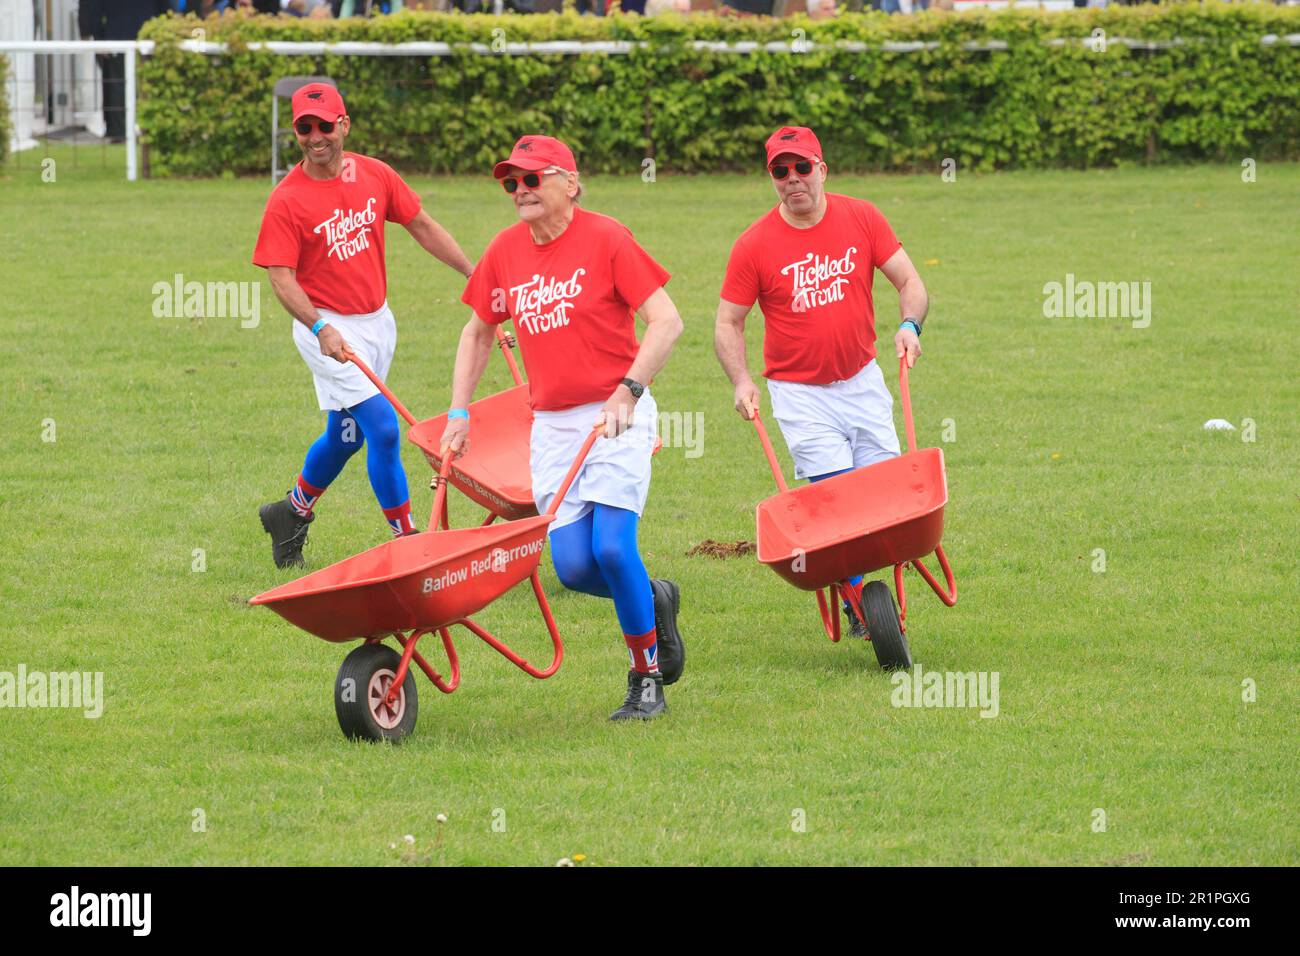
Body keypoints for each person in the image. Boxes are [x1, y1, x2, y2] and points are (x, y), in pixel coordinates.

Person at [443, 135, 686, 721]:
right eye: (511, 183)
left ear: (569, 184)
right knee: (575, 568)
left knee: (612, 545)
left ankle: (645, 675)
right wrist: (458, 412)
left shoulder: (607, 238)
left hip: (617, 411)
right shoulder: (504, 251)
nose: (520, 191)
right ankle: (654, 601)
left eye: (532, 179)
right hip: (551, 424)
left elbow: (667, 321)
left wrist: (629, 390)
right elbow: (478, 332)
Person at [714, 126, 929, 635]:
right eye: (780, 172)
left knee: (881, 501)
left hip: (862, 380)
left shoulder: (862, 216)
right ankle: (861, 605)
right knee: (833, 504)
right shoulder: (755, 244)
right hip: (799, 393)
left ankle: (872, 595)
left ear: (821, 169)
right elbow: (728, 322)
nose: (793, 180)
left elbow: (910, 282)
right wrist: (741, 380)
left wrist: (908, 326)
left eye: (801, 168)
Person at [252, 83, 474, 567]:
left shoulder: (375, 175)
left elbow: (423, 225)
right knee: (383, 428)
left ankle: (290, 511)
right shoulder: (287, 199)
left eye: (324, 126)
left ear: (344, 125)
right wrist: (318, 328)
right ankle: (407, 540)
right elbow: (281, 278)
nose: (315, 137)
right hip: (326, 327)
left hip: (377, 322)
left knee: (345, 435)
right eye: (304, 128)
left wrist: (473, 274)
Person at [78, 1, 170, 143]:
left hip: (117, 33)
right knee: (147, 83)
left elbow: (92, 6)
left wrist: (96, 35)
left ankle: (119, 131)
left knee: (117, 85)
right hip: (147, 33)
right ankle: (149, 128)